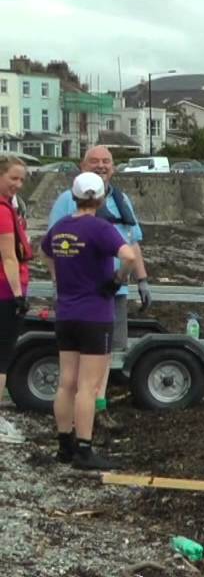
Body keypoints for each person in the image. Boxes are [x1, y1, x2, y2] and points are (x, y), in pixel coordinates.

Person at [48, 145, 151, 428]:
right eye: (94, 161)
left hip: (115, 294)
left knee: (106, 355)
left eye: (106, 161)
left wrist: (141, 280)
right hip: (83, 295)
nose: (101, 165)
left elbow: (133, 242)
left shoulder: (122, 199)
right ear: (82, 166)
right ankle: (82, 425)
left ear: (114, 167)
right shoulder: (66, 202)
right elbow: (53, 246)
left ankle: (98, 406)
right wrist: (60, 283)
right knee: (79, 366)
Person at [41, 172, 138, 469]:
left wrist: (58, 278)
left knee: (66, 383)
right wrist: (117, 279)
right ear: (98, 199)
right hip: (95, 314)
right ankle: (85, 448)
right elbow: (130, 256)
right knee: (88, 385)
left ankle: (64, 444)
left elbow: (45, 252)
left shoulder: (60, 227)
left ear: (74, 196)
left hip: (66, 312)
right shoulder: (100, 228)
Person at [0, 155, 33, 444]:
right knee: (2, 356)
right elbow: (9, 257)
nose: (18, 185)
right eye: (13, 178)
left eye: (21, 180)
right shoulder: (2, 211)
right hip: (5, 289)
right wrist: (18, 295)